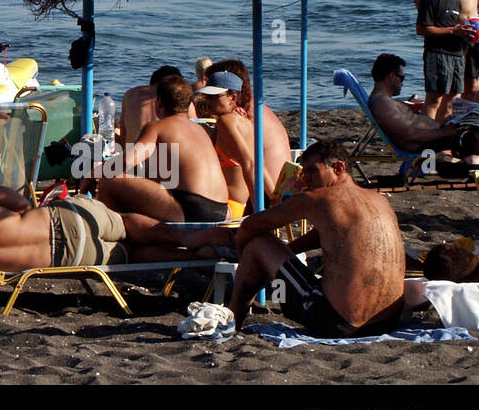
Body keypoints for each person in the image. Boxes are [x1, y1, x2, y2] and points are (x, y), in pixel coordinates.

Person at [179, 140, 405, 338]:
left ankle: (233, 318)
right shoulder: (379, 200)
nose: (305, 179)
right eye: (303, 172)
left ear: (338, 168)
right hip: (387, 321)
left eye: (311, 171)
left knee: (258, 243)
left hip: (339, 322)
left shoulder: (318, 198)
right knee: (268, 248)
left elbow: (251, 226)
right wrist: (289, 249)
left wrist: (242, 252)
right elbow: (334, 233)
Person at [0, 182, 214, 273]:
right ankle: (191, 238)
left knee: (134, 253)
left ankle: (196, 255)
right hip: (65, 219)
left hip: (67, 259)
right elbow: (23, 204)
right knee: (125, 222)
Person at [94, 74, 233, 224]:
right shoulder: (199, 130)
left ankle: (116, 237)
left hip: (193, 206)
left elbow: (125, 162)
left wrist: (94, 174)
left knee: (108, 180)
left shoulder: (158, 127)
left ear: (159, 103)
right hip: (223, 209)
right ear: (189, 104)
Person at [200, 62, 292, 209]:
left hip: (237, 204)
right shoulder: (244, 116)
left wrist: (259, 209)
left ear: (233, 97)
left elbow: (250, 164)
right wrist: (276, 197)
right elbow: (257, 161)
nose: (208, 101)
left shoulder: (226, 121)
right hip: (271, 192)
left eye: (214, 96)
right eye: (206, 95)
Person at [367, 53, 468, 154]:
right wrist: (444, 132)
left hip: (435, 137)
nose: (402, 83)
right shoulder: (382, 103)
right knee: (473, 137)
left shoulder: (384, 100)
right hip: (428, 145)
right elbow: (408, 134)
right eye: (402, 78)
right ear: (391, 76)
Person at [416, 0, 471, 121]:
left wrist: (464, 32)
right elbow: (422, 28)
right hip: (437, 52)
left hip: (457, 53)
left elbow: (456, 25)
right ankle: (427, 133)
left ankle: (439, 131)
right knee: (434, 98)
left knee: (452, 98)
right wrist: (452, 31)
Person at [117, 66, 182, 147]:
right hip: (161, 157)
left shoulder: (129, 94)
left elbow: (123, 136)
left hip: (131, 154)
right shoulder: (177, 98)